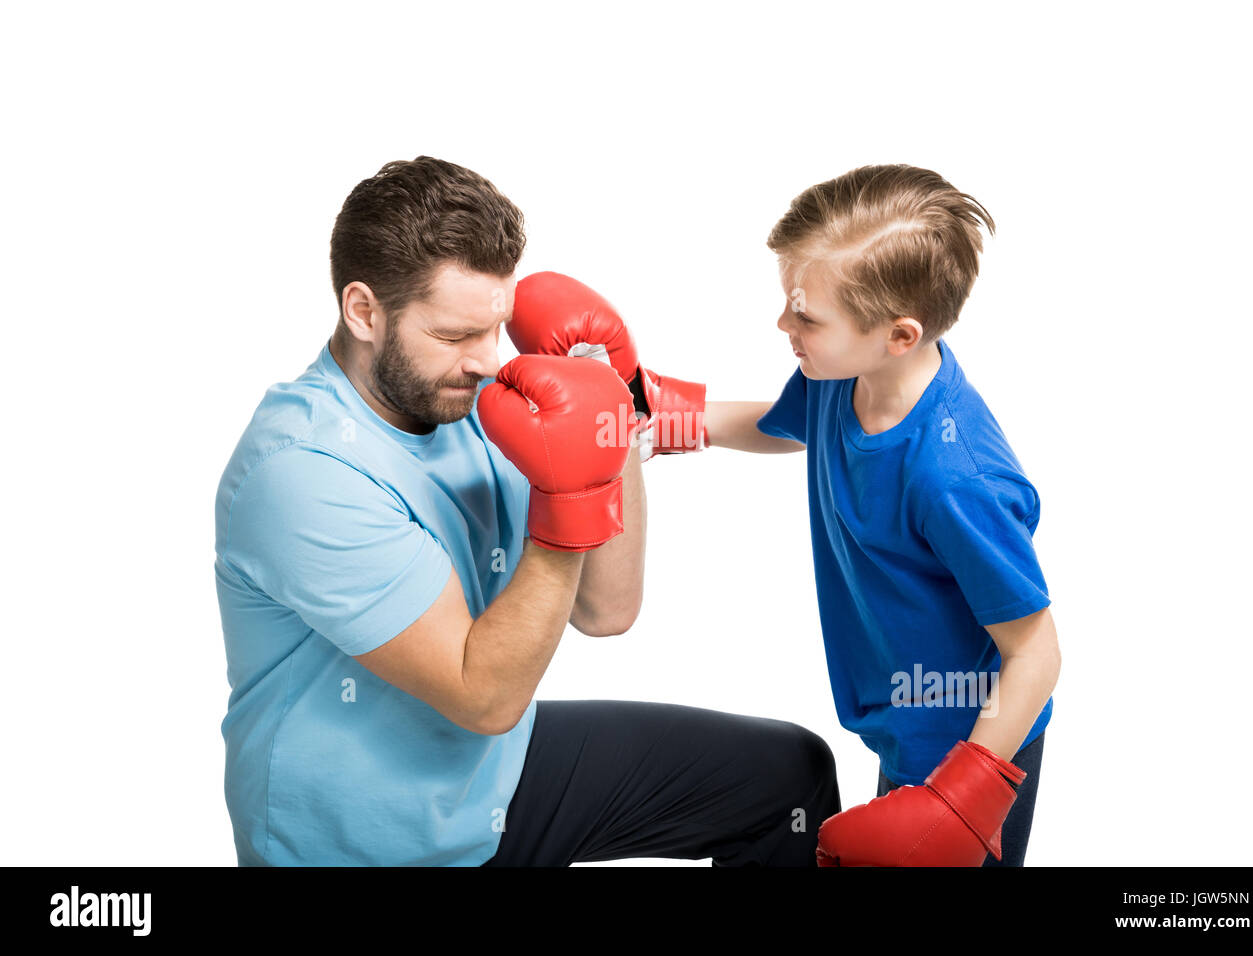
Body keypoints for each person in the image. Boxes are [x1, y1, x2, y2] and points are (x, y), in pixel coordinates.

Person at [213, 156, 839, 867]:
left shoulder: (475, 395)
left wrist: (611, 407)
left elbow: (609, 610)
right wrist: (568, 497)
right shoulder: (304, 470)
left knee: (789, 778)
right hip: (368, 844)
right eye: (454, 336)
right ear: (363, 311)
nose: (486, 361)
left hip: (490, 781)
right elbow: (484, 696)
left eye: (497, 328)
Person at [693, 164, 1061, 865]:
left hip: (978, 741)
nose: (782, 324)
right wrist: (666, 419)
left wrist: (957, 802)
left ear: (898, 335)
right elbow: (781, 426)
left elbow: (1037, 653)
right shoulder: (842, 374)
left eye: (805, 315)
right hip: (906, 721)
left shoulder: (955, 477)